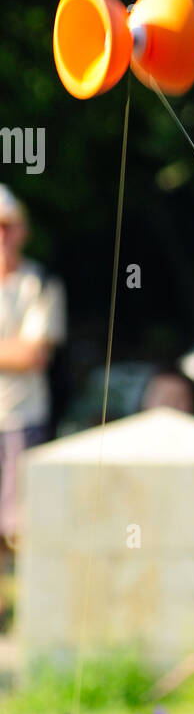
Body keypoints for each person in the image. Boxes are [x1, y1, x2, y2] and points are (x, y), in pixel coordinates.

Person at [0, 187, 67, 555]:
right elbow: (22, 351)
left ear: (22, 230)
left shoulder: (40, 282)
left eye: (8, 226)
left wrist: (22, 353)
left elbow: (34, 356)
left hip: (22, 421)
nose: (2, 235)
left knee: (21, 530)